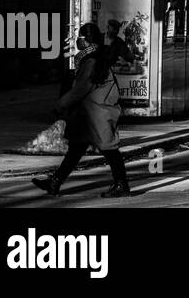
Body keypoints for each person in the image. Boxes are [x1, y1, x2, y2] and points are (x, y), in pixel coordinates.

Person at [31, 23, 130, 198]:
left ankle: (121, 184)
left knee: (109, 150)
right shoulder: (93, 57)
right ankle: (55, 182)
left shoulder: (91, 60)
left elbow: (81, 88)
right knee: (76, 150)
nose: (78, 41)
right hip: (92, 113)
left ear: (86, 41)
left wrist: (62, 104)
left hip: (97, 113)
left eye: (80, 37)